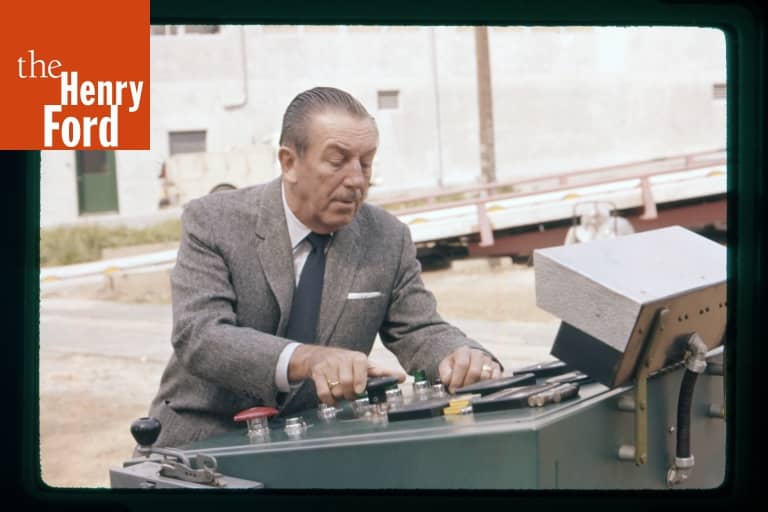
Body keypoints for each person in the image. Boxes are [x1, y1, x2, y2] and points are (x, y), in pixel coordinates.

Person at [146, 87, 502, 448]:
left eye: (366, 162)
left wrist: (463, 356)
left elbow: (421, 329)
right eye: (337, 161)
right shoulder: (214, 221)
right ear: (289, 163)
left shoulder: (388, 238)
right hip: (204, 441)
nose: (356, 180)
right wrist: (308, 359)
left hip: (320, 441)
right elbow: (201, 336)